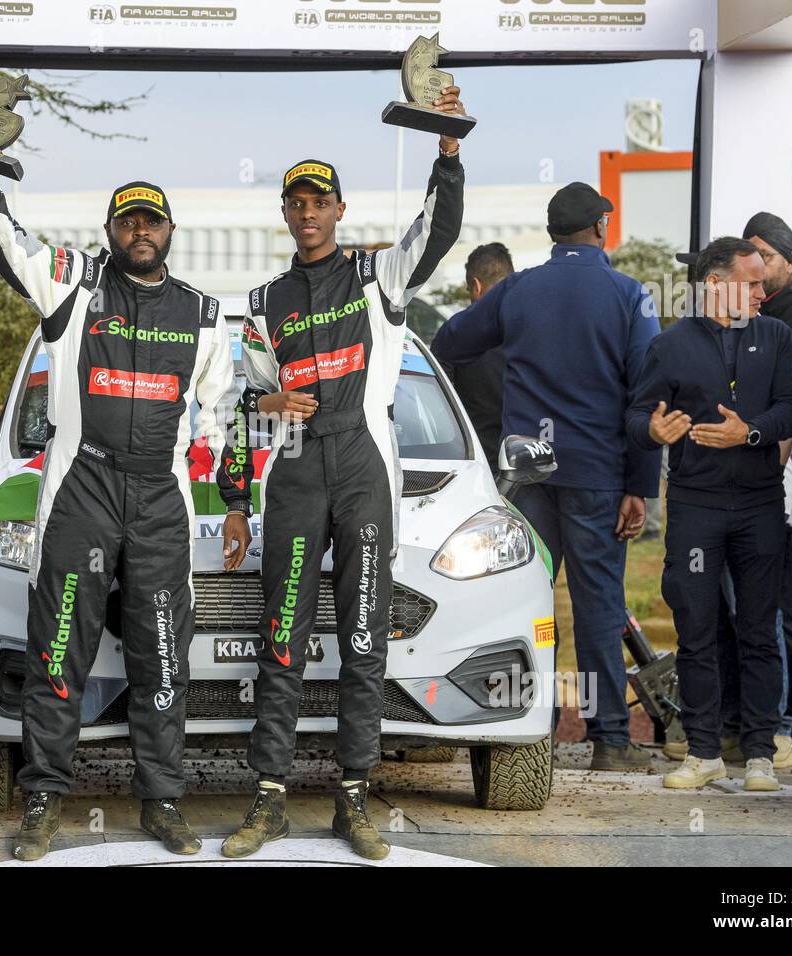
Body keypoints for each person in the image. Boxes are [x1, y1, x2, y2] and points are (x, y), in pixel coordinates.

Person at [0, 114, 247, 860]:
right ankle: (45, 801)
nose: (139, 231)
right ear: (111, 230)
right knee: (59, 653)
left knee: (163, 660)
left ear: (169, 229)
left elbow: (218, 418)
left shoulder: (204, 315)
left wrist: (231, 485)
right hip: (80, 492)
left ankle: (164, 800)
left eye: (151, 220)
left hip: (160, 501)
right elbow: (2, 239)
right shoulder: (71, 285)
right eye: (127, 221)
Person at [216, 88, 465, 861]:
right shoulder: (263, 303)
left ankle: (352, 797)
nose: (308, 213)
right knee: (282, 640)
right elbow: (236, 405)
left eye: (319, 201)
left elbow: (440, 228)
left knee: (363, 641)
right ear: (287, 216)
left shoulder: (377, 279)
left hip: (361, 474)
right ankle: (268, 800)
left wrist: (448, 151)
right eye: (296, 203)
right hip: (293, 475)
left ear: (340, 209)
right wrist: (263, 408)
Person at [433, 182, 662, 771]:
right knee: (599, 606)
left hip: (526, 473)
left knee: (520, 602)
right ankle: (610, 738)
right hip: (597, 473)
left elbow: (448, 342)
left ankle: (522, 731)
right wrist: (640, 484)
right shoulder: (628, 295)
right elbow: (648, 395)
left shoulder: (518, 289)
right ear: (601, 228)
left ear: (554, 232)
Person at [627, 236, 792, 792]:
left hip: (758, 507)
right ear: (715, 284)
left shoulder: (774, 335)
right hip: (696, 508)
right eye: (752, 282)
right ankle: (702, 752)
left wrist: (747, 432)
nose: (762, 291)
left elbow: (791, 410)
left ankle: (758, 753)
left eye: (762, 283)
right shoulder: (671, 344)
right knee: (697, 631)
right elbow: (635, 416)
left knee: (758, 631)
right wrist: (653, 431)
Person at [441, 242, 514, 471]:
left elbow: (441, 408)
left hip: (477, 463)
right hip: (531, 463)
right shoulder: (533, 326)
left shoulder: (455, 334)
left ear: (476, 285)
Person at [744, 212, 792, 353]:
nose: (756, 263)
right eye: (749, 255)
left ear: (789, 263)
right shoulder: (738, 302)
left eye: (764, 255)